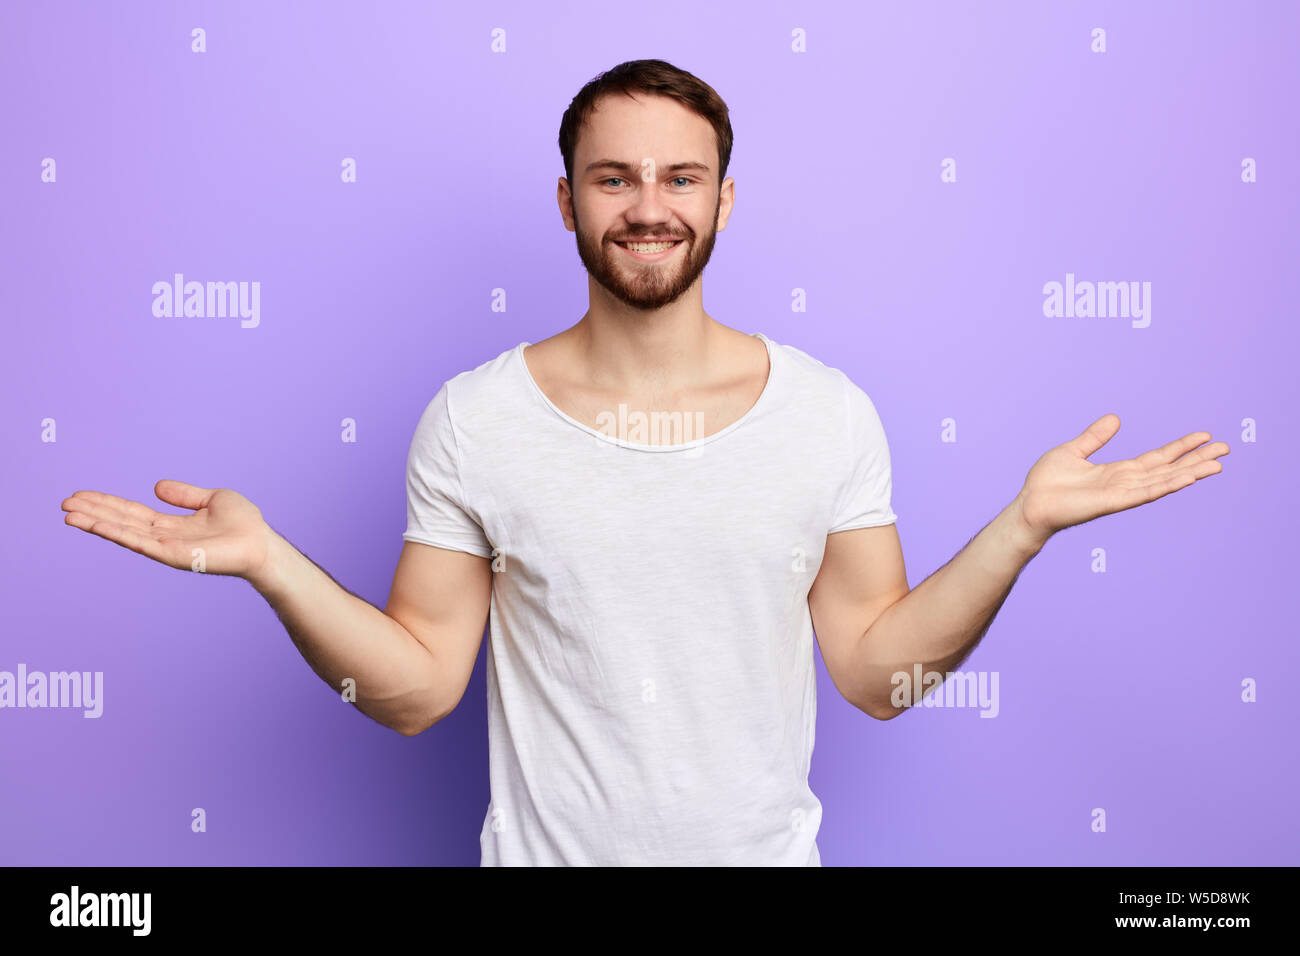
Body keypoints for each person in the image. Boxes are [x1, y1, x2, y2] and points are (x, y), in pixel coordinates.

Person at [61, 59, 1229, 866]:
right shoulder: (475, 418)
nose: (647, 207)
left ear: (724, 199)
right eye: (613, 178)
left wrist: (1018, 527)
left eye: (679, 177)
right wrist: (270, 562)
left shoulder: (825, 412)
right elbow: (417, 689)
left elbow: (879, 675)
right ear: (566, 203)